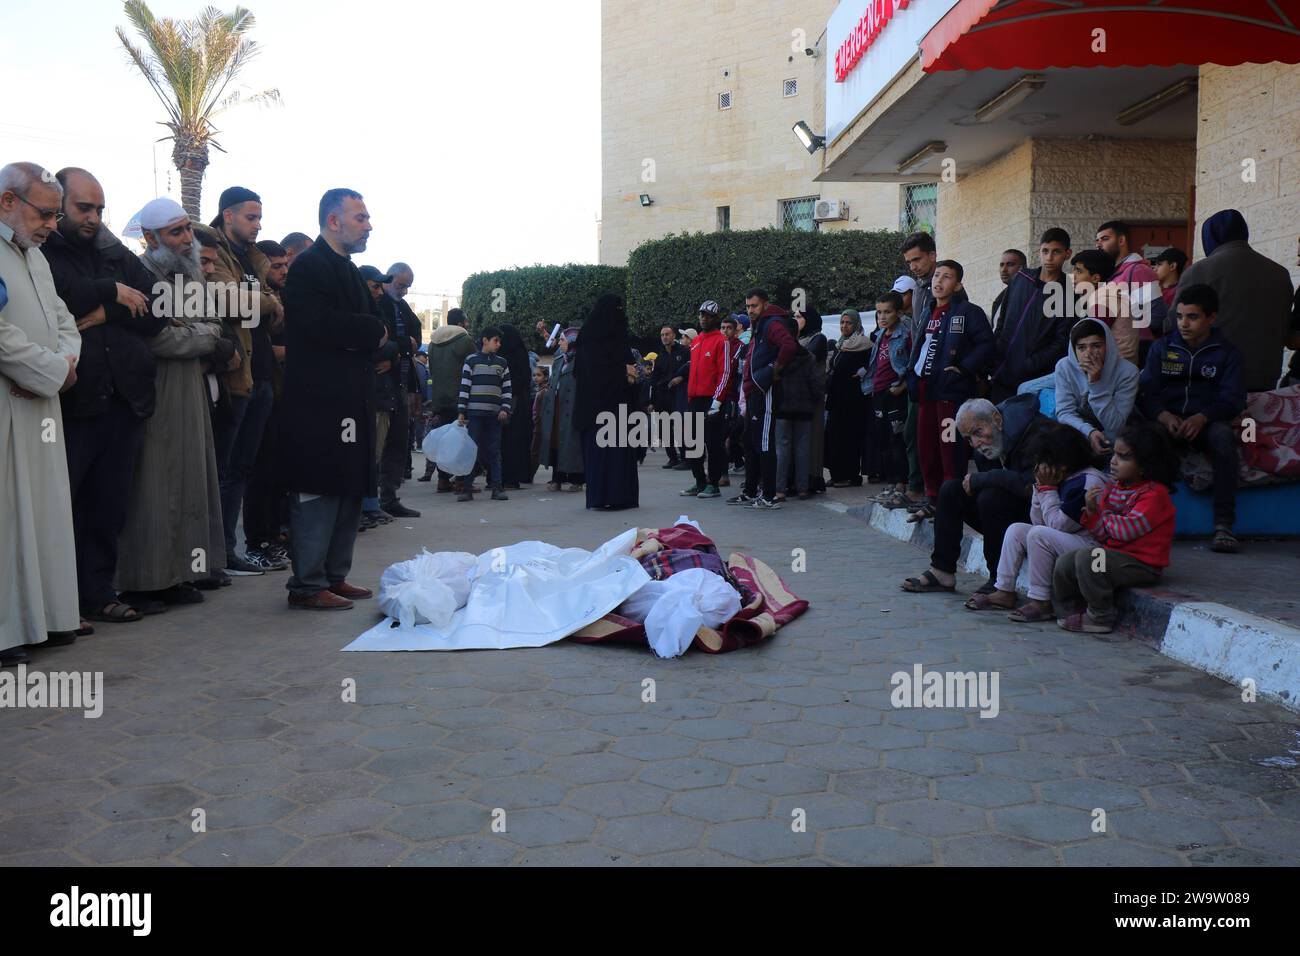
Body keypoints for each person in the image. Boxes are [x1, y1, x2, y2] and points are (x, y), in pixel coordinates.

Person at [41, 168, 164, 624]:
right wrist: (116, 294)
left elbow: (158, 308)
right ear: (60, 203)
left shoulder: (114, 253)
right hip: (74, 404)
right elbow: (59, 297)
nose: (93, 218)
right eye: (83, 208)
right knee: (66, 505)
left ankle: (98, 593)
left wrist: (105, 310)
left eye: (99, 209)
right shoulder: (42, 250)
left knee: (108, 506)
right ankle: (58, 606)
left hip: (124, 400)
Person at [276, 187, 388, 610]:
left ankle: (334, 576)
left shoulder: (350, 271)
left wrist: (366, 333)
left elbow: (379, 331)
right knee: (318, 490)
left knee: (348, 489)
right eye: (360, 217)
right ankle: (307, 584)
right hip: (319, 404)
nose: (368, 225)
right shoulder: (309, 267)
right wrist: (365, 332)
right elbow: (320, 324)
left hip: (353, 401)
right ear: (333, 221)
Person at [117, 198, 232, 608]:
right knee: (154, 485)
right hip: (155, 390)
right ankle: (146, 581)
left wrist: (194, 333)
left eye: (187, 229)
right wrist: (196, 336)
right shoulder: (138, 274)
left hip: (192, 389)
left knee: (190, 480)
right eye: (176, 232)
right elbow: (156, 337)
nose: (187, 240)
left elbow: (215, 328)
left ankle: (183, 573)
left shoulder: (193, 276)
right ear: (150, 239)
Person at [0, 161, 82, 662]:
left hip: (43, 401)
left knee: (46, 513)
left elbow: (63, 319)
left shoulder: (35, 255)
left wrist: (64, 364)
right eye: (45, 214)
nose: (53, 225)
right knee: (10, 520)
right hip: (10, 402)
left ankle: (49, 618)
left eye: (55, 216)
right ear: (8, 201)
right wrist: (51, 371)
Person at [901, 394, 1053, 602]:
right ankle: (942, 571)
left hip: (1040, 516)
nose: (975, 443)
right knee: (951, 490)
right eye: (968, 438)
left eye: (977, 432)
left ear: (997, 420)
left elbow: (1033, 486)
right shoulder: (986, 447)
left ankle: (999, 581)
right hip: (1005, 516)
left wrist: (988, 478)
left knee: (991, 497)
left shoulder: (1038, 433)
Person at [206, 185, 281, 576]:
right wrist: (265, 302)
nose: (257, 225)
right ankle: (217, 555)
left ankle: (229, 552)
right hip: (235, 375)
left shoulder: (253, 258)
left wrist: (263, 302)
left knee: (243, 469)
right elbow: (231, 301)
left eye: (259, 218)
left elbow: (272, 307)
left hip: (260, 374)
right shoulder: (214, 251)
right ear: (228, 215)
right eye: (250, 217)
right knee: (224, 470)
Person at [1139, 283, 1246, 553]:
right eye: (1179, 316)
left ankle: (1224, 524)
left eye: (1192, 317)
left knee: (1223, 438)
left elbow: (1233, 400)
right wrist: (1163, 416)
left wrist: (1203, 417)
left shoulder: (1228, 353)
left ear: (1211, 318)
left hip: (1207, 423)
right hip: (1168, 422)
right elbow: (1146, 393)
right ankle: (1149, 520)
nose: (1183, 324)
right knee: (1146, 439)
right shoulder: (1161, 348)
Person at [1053, 423, 1177, 634]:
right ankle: (1070, 608)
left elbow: (1124, 532)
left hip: (1142, 564)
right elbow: (1103, 533)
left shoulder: (1155, 495)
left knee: (1089, 558)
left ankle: (1101, 616)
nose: (1113, 461)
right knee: (1066, 561)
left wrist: (1101, 513)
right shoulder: (1114, 488)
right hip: (1115, 556)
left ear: (1144, 465)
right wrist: (1091, 512)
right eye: (1114, 454)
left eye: (1124, 457)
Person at [982, 424, 1108, 620]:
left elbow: (1059, 525)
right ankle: (1004, 590)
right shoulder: (1063, 478)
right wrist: (1039, 489)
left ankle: (1041, 601)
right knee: (1016, 530)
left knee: (1038, 535)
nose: (1041, 467)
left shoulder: (1088, 482)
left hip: (1092, 545)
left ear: (1065, 462)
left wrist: (1048, 490)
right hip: (1067, 538)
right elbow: (1038, 521)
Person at [905, 260, 994, 520]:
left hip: (950, 396)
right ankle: (932, 500)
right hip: (925, 394)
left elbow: (986, 344)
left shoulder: (968, 312)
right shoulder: (927, 311)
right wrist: (912, 376)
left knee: (949, 449)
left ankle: (951, 502)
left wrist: (964, 368)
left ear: (958, 285)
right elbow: (920, 349)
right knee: (926, 449)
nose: (939, 281)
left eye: (946, 277)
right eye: (937, 276)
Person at [1174, 209, 1293, 393]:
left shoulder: (1200, 271)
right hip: (1264, 378)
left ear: (1209, 236)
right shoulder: (1280, 273)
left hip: (1211, 378)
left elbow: (1174, 324)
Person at [730, 288, 797, 509]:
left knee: (764, 443)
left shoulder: (772, 324)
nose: (750, 310)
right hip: (753, 391)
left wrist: (774, 370)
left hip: (764, 391)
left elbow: (788, 345)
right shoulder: (758, 326)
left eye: (754, 306)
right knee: (749, 442)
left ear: (765, 305)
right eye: (748, 306)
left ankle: (769, 494)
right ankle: (750, 491)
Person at [990, 228, 1073, 402]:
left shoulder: (1069, 293)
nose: (1049, 258)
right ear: (1039, 251)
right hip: (1001, 368)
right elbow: (1002, 318)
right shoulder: (1022, 278)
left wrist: (1030, 364)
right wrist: (997, 350)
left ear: (1067, 254)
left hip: (1032, 377)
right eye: (1045, 251)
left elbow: (1062, 340)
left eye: (1056, 252)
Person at [574, 293, 640, 510]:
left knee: (613, 454)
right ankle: (608, 496)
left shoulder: (613, 339)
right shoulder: (590, 341)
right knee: (606, 454)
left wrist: (631, 375)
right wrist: (624, 372)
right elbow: (594, 373)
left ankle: (614, 496)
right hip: (600, 411)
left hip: (615, 410)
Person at [1054, 318, 1139, 459]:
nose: (1089, 353)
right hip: (1081, 431)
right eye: (1081, 348)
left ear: (1108, 346)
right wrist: (1089, 432)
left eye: (1096, 346)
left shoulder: (1128, 372)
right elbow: (1065, 412)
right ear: (1073, 350)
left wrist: (1096, 383)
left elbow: (1115, 425)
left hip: (1113, 436)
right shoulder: (1065, 367)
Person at [359, 265, 401, 528]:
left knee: (374, 455)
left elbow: (396, 343)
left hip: (381, 395)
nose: (379, 292)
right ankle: (362, 508)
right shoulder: (359, 311)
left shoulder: (380, 309)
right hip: (366, 395)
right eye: (374, 286)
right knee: (364, 456)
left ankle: (370, 505)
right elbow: (370, 347)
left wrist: (393, 352)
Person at [681, 300, 735, 499]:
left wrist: (717, 401)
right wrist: (689, 397)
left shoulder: (722, 341)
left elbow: (725, 373)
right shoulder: (695, 342)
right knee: (691, 442)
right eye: (701, 314)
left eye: (708, 315)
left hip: (712, 400)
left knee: (713, 443)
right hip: (695, 399)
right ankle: (699, 481)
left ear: (715, 318)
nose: (704, 318)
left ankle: (713, 483)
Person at [863, 291, 911, 505]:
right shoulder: (880, 335)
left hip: (895, 394)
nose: (882, 317)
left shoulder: (905, 334)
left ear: (899, 313)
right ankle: (891, 484)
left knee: (896, 441)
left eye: (887, 312)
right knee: (883, 440)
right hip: (879, 394)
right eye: (879, 312)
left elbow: (913, 363)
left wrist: (902, 387)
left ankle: (901, 484)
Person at [901, 233, 938, 507]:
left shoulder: (942, 286)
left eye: (917, 259)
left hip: (934, 375)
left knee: (926, 435)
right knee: (912, 433)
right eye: (909, 262)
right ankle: (918, 487)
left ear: (932, 255)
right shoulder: (920, 288)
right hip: (916, 371)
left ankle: (927, 491)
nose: (913, 266)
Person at [771, 304, 821, 502]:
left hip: (783, 406)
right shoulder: (808, 356)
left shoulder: (779, 355)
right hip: (804, 408)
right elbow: (815, 383)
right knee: (802, 449)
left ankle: (780, 489)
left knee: (782, 449)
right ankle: (802, 488)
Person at [420, 307, 475, 489]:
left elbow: (433, 370)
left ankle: (442, 480)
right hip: (460, 397)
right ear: (460, 323)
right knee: (461, 439)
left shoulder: (433, 343)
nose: (468, 324)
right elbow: (474, 367)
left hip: (439, 397)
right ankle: (460, 481)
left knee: (444, 439)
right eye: (466, 321)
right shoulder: (465, 340)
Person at [456, 325, 512, 502]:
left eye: (499, 341)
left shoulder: (502, 363)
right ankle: (467, 488)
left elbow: (507, 389)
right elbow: (464, 387)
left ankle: (497, 487)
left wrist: (504, 408)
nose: (499, 344)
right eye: (496, 340)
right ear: (485, 340)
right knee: (471, 450)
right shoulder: (471, 361)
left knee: (494, 451)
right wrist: (461, 411)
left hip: (495, 415)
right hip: (475, 414)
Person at [383, 262, 423, 490]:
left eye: (408, 286)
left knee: (399, 439)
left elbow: (415, 335)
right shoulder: (380, 303)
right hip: (384, 382)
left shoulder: (403, 306)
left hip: (401, 380)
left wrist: (404, 347)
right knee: (383, 441)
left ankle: (390, 494)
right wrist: (402, 346)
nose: (404, 291)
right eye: (401, 285)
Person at [1096, 220, 1167, 344]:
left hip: (1137, 348)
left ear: (1121, 240)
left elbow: (1156, 318)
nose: (1098, 244)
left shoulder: (1139, 271)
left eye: (1105, 239)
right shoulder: (1113, 272)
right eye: (1097, 240)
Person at [824, 308, 871, 487]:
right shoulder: (840, 344)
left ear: (856, 324)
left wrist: (861, 372)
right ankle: (837, 474)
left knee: (849, 438)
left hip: (853, 400)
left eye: (848, 322)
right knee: (835, 436)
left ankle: (850, 475)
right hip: (837, 398)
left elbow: (870, 365)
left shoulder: (864, 344)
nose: (844, 326)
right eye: (842, 322)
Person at [1071, 249, 1137, 365]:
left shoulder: (1104, 299)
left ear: (1096, 278)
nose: (1073, 276)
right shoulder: (1101, 295)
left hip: (1114, 371)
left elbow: (1090, 340)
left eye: (1079, 271)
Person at [539, 327, 584, 492]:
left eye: (564, 340)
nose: (560, 342)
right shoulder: (560, 358)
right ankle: (556, 478)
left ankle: (576, 479)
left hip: (571, 405)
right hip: (556, 405)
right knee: (556, 441)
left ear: (572, 342)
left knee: (572, 443)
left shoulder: (580, 360)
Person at [795, 306, 828, 497]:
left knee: (812, 439)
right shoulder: (798, 339)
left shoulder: (818, 338)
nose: (796, 320)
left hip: (812, 396)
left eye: (800, 317)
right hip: (797, 396)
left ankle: (811, 478)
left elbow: (805, 358)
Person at [497, 324, 534, 489]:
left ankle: (499, 476)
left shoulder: (499, 355)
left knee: (501, 441)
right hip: (518, 403)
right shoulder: (521, 353)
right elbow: (525, 378)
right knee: (516, 441)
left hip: (503, 401)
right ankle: (514, 476)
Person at [648, 324, 689, 468]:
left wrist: (682, 378)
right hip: (662, 396)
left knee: (679, 427)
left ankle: (686, 459)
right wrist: (651, 401)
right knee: (663, 429)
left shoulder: (684, 352)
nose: (664, 337)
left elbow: (691, 367)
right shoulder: (660, 357)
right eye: (662, 335)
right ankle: (673, 457)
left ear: (673, 336)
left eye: (667, 334)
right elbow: (654, 379)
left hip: (678, 395)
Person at [990, 249, 1027, 332]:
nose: (1003, 269)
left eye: (1010, 264)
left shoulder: (1031, 295)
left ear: (1022, 268)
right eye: (1001, 265)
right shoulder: (999, 299)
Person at [1152, 247, 1187, 311]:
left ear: (1172, 266)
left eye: (1159, 265)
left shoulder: (1177, 293)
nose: (1155, 269)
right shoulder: (1155, 287)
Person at [530, 364, 548, 478]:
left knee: (534, 451)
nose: (535, 377)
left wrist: (536, 421)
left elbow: (540, 410)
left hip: (539, 426)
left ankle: (530, 473)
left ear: (545, 377)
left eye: (538, 375)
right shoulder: (539, 390)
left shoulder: (544, 392)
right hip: (538, 424)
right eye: (534, 375)